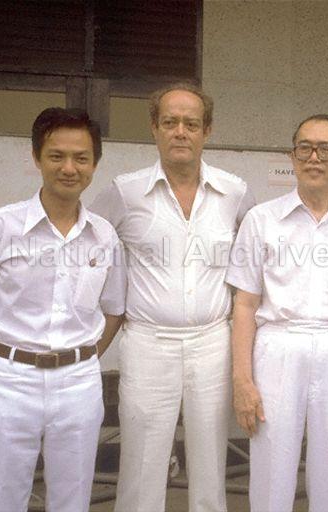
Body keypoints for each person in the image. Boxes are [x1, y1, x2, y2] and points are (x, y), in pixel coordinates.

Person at [0, 107, 126, 512]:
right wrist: (4, 362)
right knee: (2, 497)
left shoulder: (104, 235)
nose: (69, 168)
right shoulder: (0, 227)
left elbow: (114, 310)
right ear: (36, 158)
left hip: (79, 384)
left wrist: (80, 360)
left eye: (81, 158)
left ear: (95, 164)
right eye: (56, 156)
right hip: (10, 383)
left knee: (73, 498)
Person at [90, 82, 254, 512]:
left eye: (191, 123)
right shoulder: (125, 192)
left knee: (209, 458)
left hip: (212, 341)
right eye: (170, 122)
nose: (180, 131)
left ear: (207, 131)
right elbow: (87, 252)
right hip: (148, 341)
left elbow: (253, 267)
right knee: (143, 458)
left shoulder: (234, 193)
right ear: (154, 128)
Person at [226, 114, 328, 511]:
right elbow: (244, 305)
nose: (314, 157)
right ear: (292, 155)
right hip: (278, 346)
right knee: (270, 468)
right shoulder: (261, 220)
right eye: (305, 148)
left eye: (326, 150)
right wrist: (243, 381)